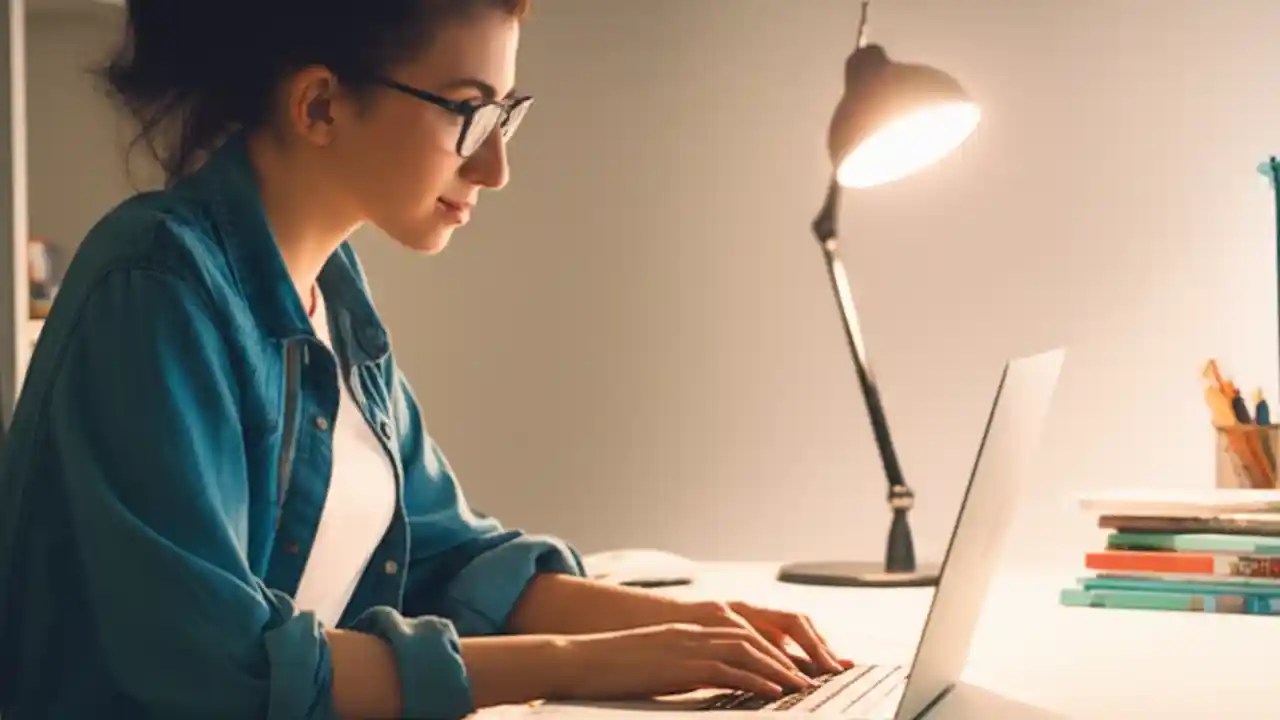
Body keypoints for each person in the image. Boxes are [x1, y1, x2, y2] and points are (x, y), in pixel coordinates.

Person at [0, 1, 852, 718]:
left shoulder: (331, 290)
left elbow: (448, 560)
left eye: (506, 113)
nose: (497, 165)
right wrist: (580, 663)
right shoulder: (156, 286)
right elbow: (222, 664)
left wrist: (703, 628)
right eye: (467, 112)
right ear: (321, 106)